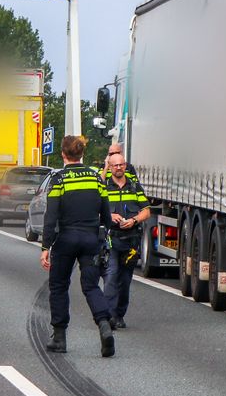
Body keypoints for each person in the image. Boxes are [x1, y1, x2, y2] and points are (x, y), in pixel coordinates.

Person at [40, 135, 115, 358]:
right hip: (91, 238)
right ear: (81, 153)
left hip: (66, 238)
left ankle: (59, 337)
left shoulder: (59, 179)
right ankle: (104, 325)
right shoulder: (95, 178)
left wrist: (45, 246)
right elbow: (107, 214)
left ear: (63, 154)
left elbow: (51, 215)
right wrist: (103, 236)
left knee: (59, 285)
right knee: (91, 285)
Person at [103, 151, 151, 329]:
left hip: (131, 241)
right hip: (111, 240)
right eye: (114, 165)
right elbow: (96, 209)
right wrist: (110, 215)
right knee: (111, 276)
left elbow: (146, 210)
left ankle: (119, 314)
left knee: (125, 280)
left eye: (121, 165)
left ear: (125, 166)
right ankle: (107, 316)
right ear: (110, 167)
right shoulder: (104, 187)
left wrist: (134, 220)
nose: (118, 168)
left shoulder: (134, 187)